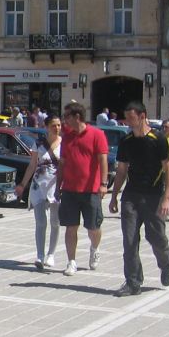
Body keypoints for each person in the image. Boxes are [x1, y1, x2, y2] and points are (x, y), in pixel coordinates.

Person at [108, 102, 169, 296]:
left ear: (142, 116)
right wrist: (114, 197)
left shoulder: (158, 138)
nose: (127, 121)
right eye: (126, 117)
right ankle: (133, 282)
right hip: (131, 196)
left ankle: (166, 263)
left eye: (131, 117)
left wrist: (167, 196)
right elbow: (121, 170)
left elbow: (168, 168)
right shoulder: (126, 141)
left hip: (154, 196)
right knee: (129, 240)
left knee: (156, 237)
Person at [58, 101, 109, 276]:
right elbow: (62, 164)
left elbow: (103, 160)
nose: (65, 121)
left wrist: (103, 184)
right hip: (70, 190)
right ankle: (71, 261)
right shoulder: (67, 137)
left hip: (91, 190)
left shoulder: (97, 134)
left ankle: (94, 248)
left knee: (93, 227)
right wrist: (58, 186)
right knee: (70, 227)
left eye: (67, 117)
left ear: (77, 117)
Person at [15, 114, 62, 271]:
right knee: (41, 222)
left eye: (59, 125)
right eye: (54, 125)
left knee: (55, 222)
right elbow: (32, 165)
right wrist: (22, 184)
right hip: (39, 186)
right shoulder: (38, 143)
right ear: (46, 127)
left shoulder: (66, 144)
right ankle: (40, 256)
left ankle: (51, 255)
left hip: (57, 186)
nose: (57, 128)